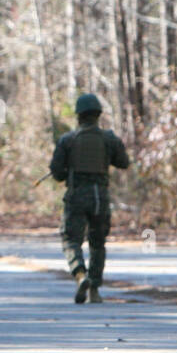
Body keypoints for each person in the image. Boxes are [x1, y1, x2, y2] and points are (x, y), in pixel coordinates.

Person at [49, 93, 130, 303]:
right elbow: (123, 162)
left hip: (77, 196)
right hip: (99, 198)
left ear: (78, 116)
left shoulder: (68, 140)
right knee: (97, 243)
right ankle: (94, 290)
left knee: (70, 239)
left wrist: (69, 170)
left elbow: (57, 173)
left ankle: (80, 274)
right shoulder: (109, 139)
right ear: (98, 115)